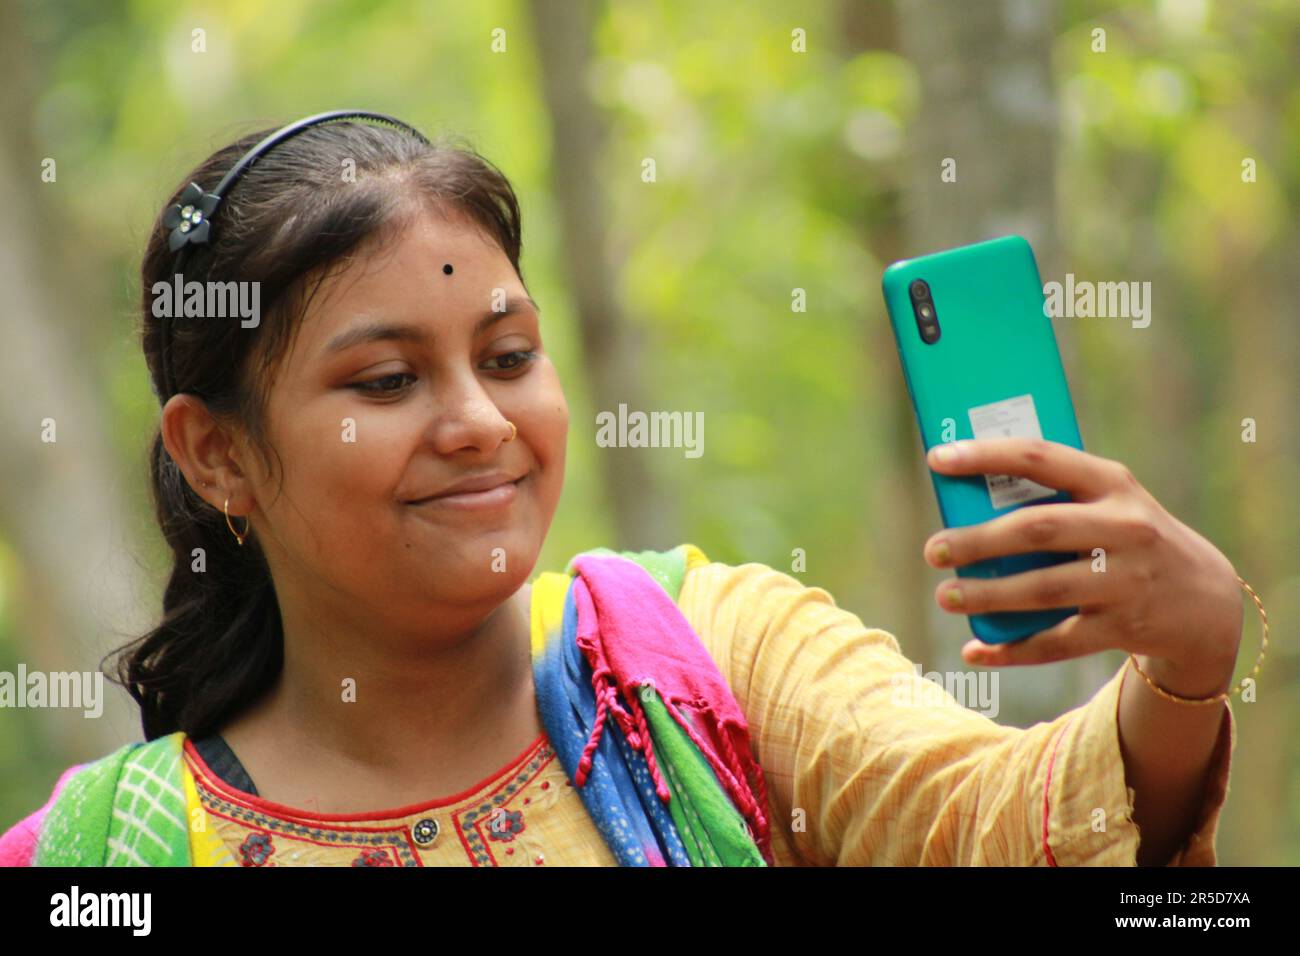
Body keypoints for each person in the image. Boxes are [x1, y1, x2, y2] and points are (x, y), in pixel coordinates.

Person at [0, 113, 1242, 867]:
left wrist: (1185, 662)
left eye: (506, 358)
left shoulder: (702, 662)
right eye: (387, 380)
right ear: (215, 452)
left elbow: (1003, 829)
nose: (480, 424)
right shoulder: (102, 856)